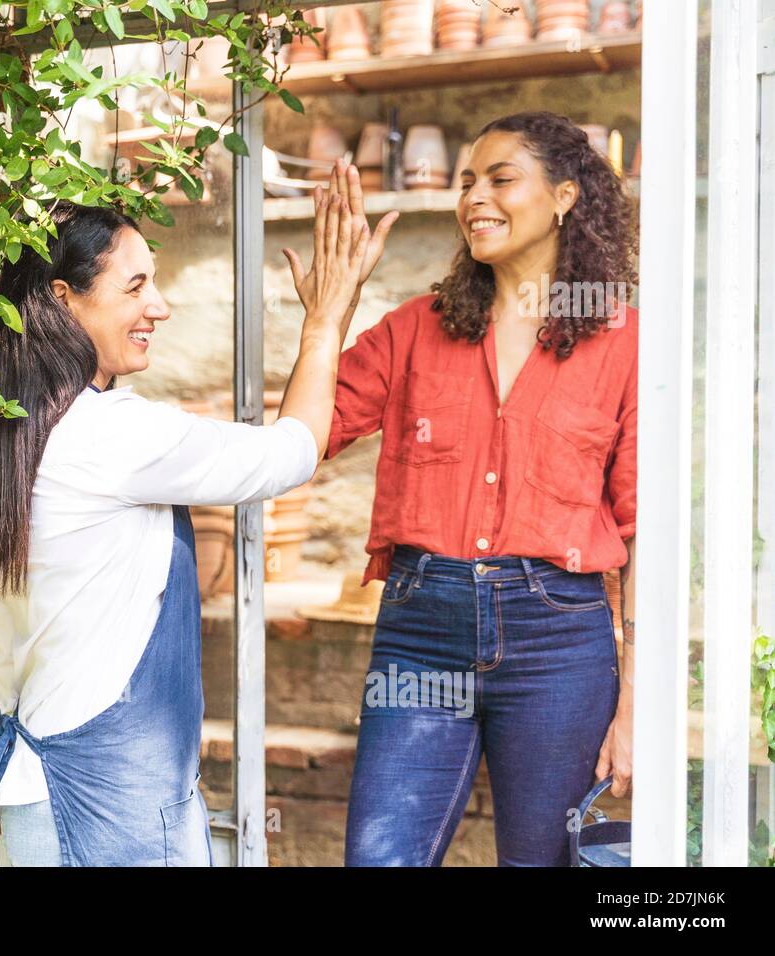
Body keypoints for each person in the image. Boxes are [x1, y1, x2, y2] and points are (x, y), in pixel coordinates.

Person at [0, 161, 391, 865]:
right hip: (106, 806)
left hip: (35, 789)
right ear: (66, 302)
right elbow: (293, 452)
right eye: (135, 286)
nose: (158, 306)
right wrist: (326, 318)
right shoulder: (115, 435)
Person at [326, 110, 639, 866]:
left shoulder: (623, 338)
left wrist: (636, 701)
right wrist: (325, 315)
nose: (474, 197)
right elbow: (304, 435)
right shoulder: (414, 329)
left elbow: (643, 531)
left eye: (501, 179)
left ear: (565, 196)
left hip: (560, 641)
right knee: (379, 858)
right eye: (467, 181)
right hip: (420, 631)